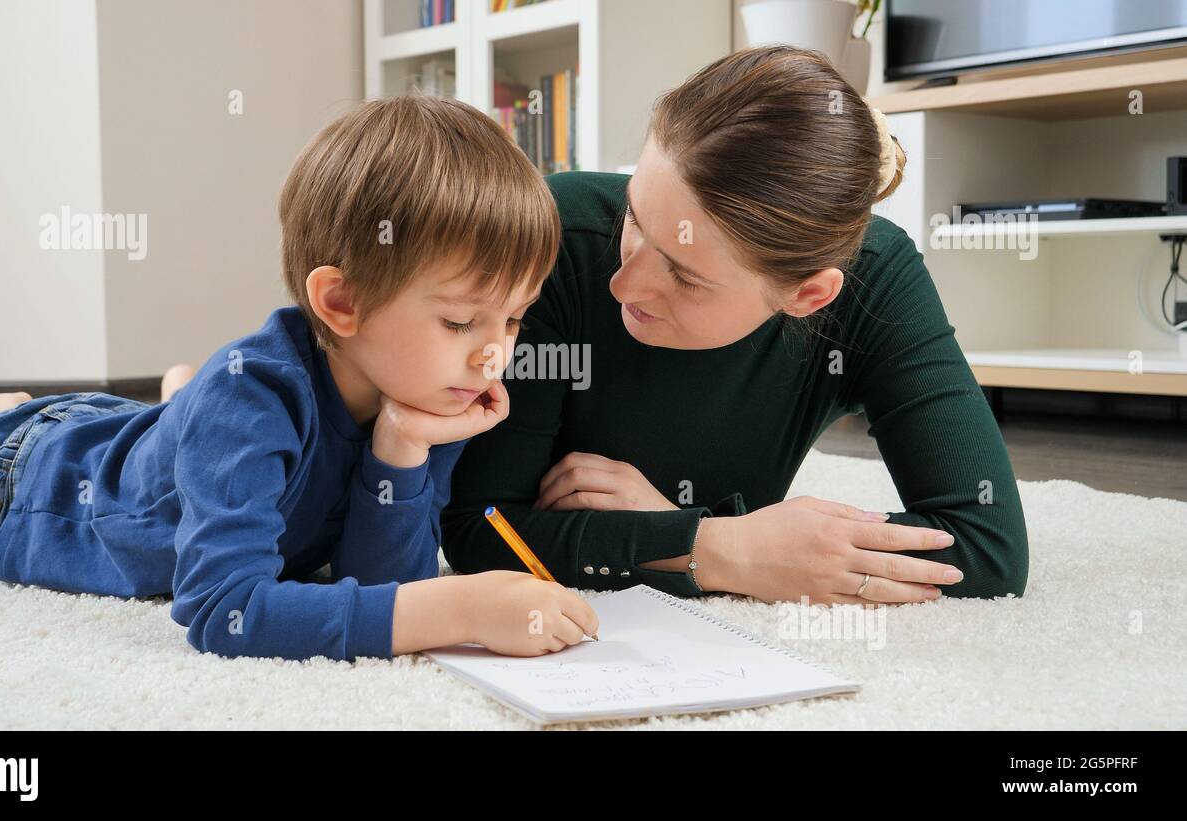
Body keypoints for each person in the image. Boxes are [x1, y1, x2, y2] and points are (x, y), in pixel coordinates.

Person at [0, 95, 599, 661]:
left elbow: (380, 582)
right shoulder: (252, 398)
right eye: (460, 322)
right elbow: (223, 609)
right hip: (12, 482)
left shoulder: (426, 394)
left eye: (512, 321)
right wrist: (463, 607)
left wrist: (402, 446)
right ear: (341, 304)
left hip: (130, 432)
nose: (492, 356)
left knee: (181, 428)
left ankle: (131, 402)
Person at [441, 46, 1029, 605]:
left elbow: (986, 546)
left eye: (684, 275)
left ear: (807, 295)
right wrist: (722, 548)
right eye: (636, 219)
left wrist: (679, 529)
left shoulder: (875, 278)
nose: (624, 284)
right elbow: (480, 531)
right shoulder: (552, 241)